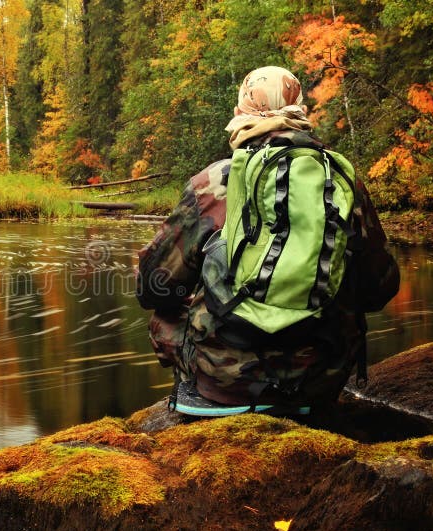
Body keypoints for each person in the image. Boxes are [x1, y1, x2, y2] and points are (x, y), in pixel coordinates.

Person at [136, 66, 399, 415]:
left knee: (163, 318)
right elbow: (379, 289)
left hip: (228, 384)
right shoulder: (341, 180)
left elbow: (154, 288)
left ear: (239, 113)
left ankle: (203, 399)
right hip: (320, 376)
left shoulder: (211, 184)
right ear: (300, 111)